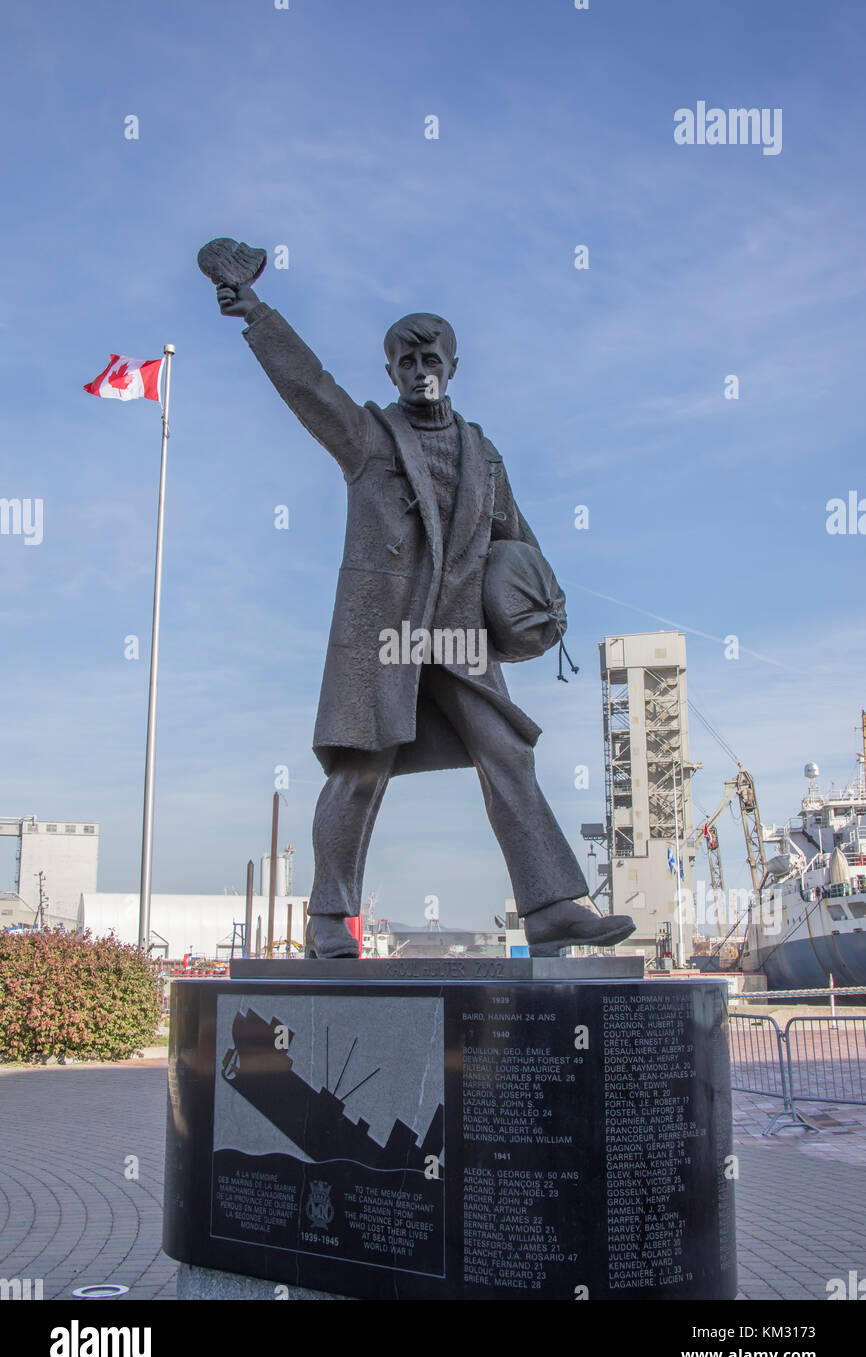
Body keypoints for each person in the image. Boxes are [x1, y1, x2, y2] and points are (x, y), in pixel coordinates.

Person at [216, 272, 635, 959]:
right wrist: (254, 310)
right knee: (360, 771)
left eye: (430, 359)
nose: (419, 371)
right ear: (391, 370)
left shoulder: (484, 453)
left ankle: (553, 908)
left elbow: (515, 539)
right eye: (406, 361)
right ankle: (329, 921)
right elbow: (308, 386)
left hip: (460, 633)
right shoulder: (368, 438)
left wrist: (544, 605)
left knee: (507, 753)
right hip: (387, 631)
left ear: (453, 367)